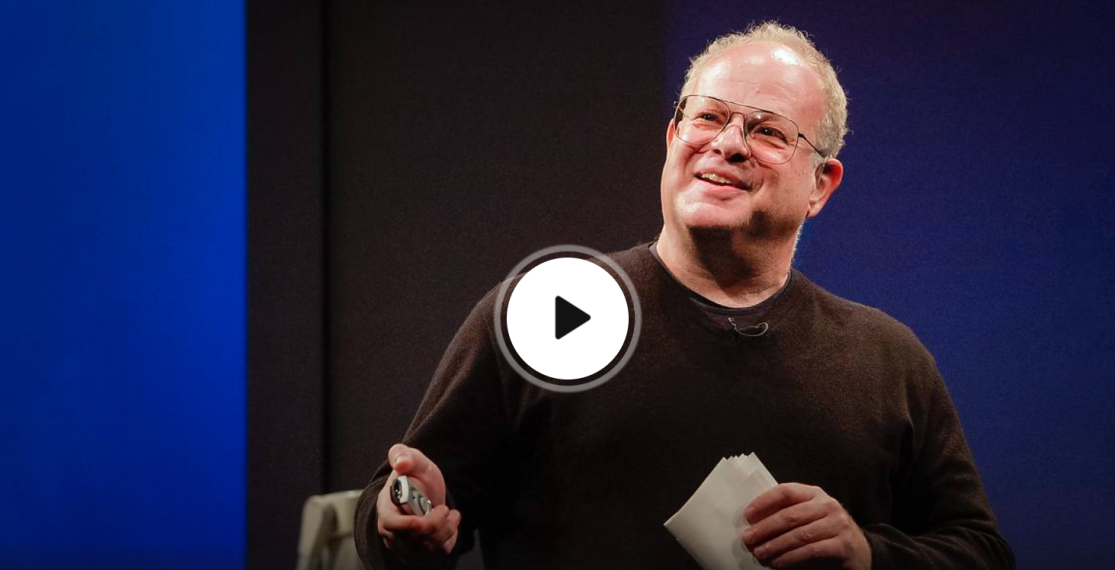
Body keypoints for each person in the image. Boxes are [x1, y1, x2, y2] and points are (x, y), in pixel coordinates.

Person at [354, 22, 1015, 570]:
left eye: (767, 130)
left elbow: (979, 551)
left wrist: (868, 556)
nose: (727, 144)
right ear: (674, 139)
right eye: (708, 117)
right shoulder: (547, 314)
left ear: (821, 184)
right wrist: (400, 517)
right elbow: (405, 507)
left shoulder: (887, 359)